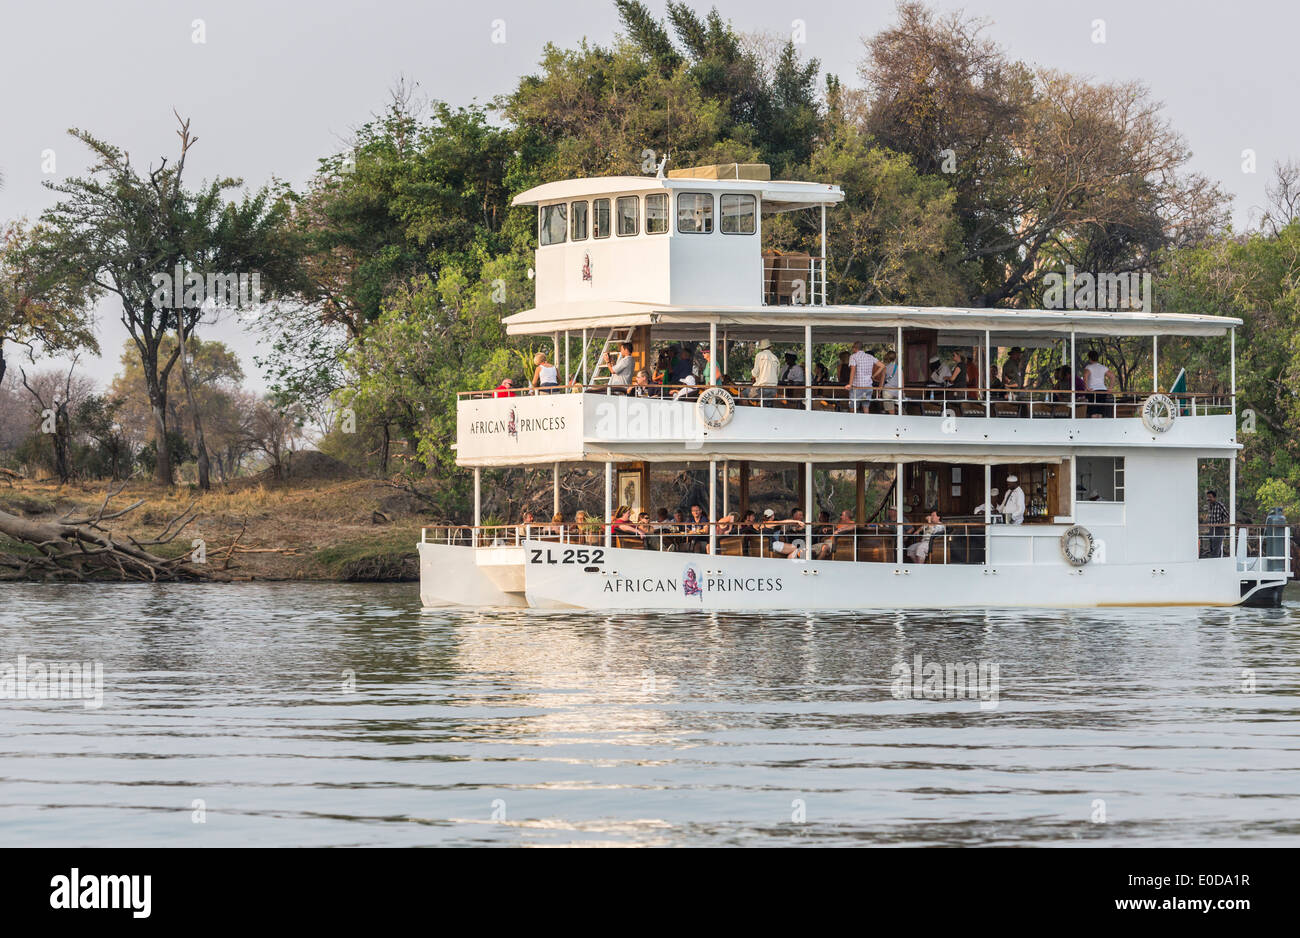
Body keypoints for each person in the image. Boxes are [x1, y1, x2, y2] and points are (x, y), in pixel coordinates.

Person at [845, 341, 879, 413]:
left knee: (853, 407)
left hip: (857, 387)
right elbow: (882, 366)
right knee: (866, 407)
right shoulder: (870, 357)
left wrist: (850, 384)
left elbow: (853, 371)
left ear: (854, 348)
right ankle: (866, 422)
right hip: (868, 387)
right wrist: (873, 376)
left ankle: (853, 422)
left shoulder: (853, 356)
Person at [1083, 349, 1114, 417]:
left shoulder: (1088, 367)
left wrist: (1087, 388)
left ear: (1090, 358)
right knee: (1100, 411)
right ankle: (1099, 426)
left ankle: (1094, 426)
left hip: (1092, 391)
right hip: (1102, 391)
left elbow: (1085, 377)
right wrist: (1110, 388)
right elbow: (1112, 376)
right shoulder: (1103, 367)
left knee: (1093, 411)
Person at [751, 338, 780, 405]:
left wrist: (753, 374)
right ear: (770, 347)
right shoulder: (775, 357)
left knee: (743, 394)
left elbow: (755, 373)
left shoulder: (759, 355)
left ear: (761, 348)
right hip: (773, 389)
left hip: (761, 389)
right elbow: (777, 374)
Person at [1205, 489, 1229, 557]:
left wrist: (1221, 523)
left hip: (1218, 529)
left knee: (1216, 548)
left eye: (1210, 497)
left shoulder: (1219, 505)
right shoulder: (1209, 506)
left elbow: (1227, 515)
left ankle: (1215, 562)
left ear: (1214, 498)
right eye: (1208, 497)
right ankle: (1215, 562)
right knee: (1212, 547)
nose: (1208, 499)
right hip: (1211, 529)